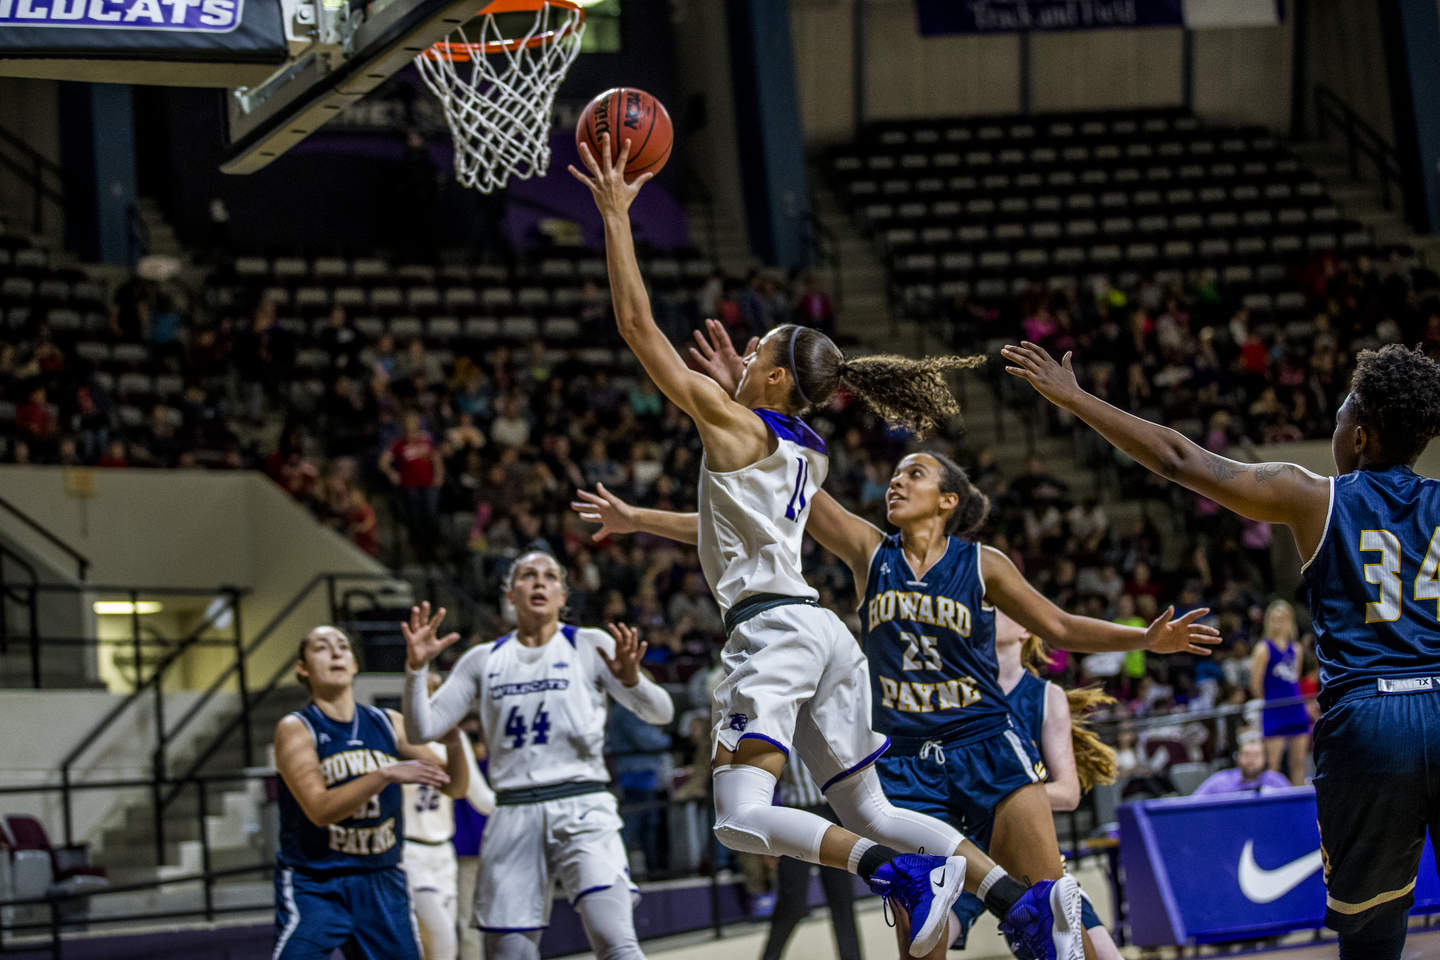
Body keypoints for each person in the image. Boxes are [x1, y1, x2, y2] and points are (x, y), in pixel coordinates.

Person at [566, 134, 1136, 960]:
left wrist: (616, 215)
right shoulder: (806, 447)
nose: (747, 350)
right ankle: (1020, 902)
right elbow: (728, 526)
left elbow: (635, 325)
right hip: (825, 633)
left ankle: (896, 876)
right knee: (869, 809)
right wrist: (639, 519)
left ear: (766, 380)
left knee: (738, 815)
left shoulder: (734, 424)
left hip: (771, 633)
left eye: (756, 349)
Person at [576, 324, 1217, 960]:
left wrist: (1144, 638)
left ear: (947, 501)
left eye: (914, 472)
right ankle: (990, 898)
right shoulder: (867, 550)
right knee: (923, 932)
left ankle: (1039, 915)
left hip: (978, 737)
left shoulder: (980, 562)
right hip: (904, 749)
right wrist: (730, 412)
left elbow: (1059, 626)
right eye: (898, 472)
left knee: (1061, 916)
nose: (896, 482)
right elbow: (746, 508)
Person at [1001, 340, 1440, 960]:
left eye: (1342, 415)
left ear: (1361, 436)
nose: (1336, 424)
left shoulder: (1314, 496)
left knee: (1372, 936)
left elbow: (1183, 459)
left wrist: (1076, 399)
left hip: (1371, 721)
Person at [401, 556, 675, 960]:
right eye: (527, 576)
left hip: (583, 805)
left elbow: (662, 713)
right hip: (512, 810)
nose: (539, 583)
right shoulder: (481, 659)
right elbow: (420, 730)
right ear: (510, 595)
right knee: (509, 954)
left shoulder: (589, 643)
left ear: (563, 595)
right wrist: (415, 671)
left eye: (550, 576)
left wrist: (634, 682)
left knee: (615, 940)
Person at [271, 626, 470, 960]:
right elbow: (320, 809)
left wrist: (455, 746)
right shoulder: (296, 728)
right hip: (317, 881)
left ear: (354, 665)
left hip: (381, 877)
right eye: (322, 647)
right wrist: (382, 774)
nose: (335, 653)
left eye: (343, 647)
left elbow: (455, 786)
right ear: (302, 668)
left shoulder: (387, 723)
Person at [402, 672, 498, 960]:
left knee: (440, 946)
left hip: (444, 853)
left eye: (440, 686)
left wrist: (525, 804)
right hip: (410, 850)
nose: (436, 691)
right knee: (440, 940)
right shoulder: (399, 732)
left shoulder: (455, 739)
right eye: (427, 686)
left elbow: (481, 798)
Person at [760, 756, 862, 960]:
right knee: (791, 900)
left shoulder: (826, 724)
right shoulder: (776, 725)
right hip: (792, 815)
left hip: (831, 811)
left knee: (841, 896)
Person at [1248, 599, 1311, 785]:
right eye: (1275, 619)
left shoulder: (1297, 649)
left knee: (1299, 762)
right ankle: (1273, 798)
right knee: (1272, 763)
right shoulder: (1263, 648)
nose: (1279, 623)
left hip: (1295, 707)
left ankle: (1299, 801)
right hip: (1274, 707)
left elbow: (1296, 678)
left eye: (1283, 618)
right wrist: (1270, 699)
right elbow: (1255, 684)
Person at [1193, 734, 1290, 797]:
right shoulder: (1219, 781)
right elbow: (1192, 803)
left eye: (1256, 755)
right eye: (1246, 754)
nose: (1251, 759)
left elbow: (1294, 806)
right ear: (1237, 757)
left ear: (1264, 759)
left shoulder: (1276, 781)